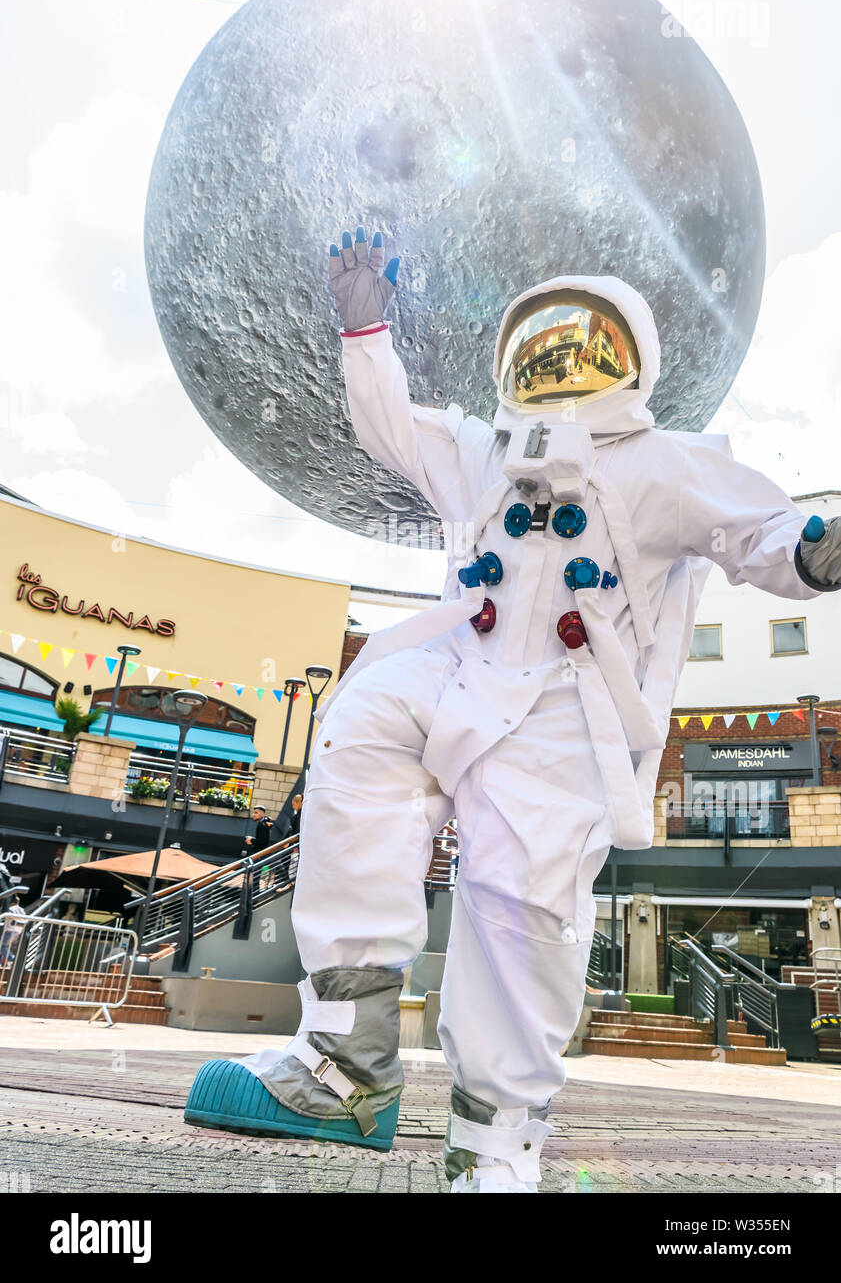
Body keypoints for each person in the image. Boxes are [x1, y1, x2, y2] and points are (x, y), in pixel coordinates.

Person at [185, 226, 841, 1192]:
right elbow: (392, 429)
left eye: (583, 346)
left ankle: (495, 1141)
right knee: (361, 729)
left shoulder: (665, 463)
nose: (559, 362)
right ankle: (343, 1064)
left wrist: (817, 551)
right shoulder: (481, 448)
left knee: (518, 907)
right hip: (455, 669)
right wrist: (365, 331)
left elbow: (762, 530)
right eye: (543, 344)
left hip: (562, 714)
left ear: (630, 359)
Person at [0, 901, 26, 967]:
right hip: (17, 932)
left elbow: (7, 919)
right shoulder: (22, 910)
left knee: (1, 946)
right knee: (4, 948)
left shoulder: (11, 909)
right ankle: (4, 963)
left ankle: (13, 958)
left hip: (9, 931)